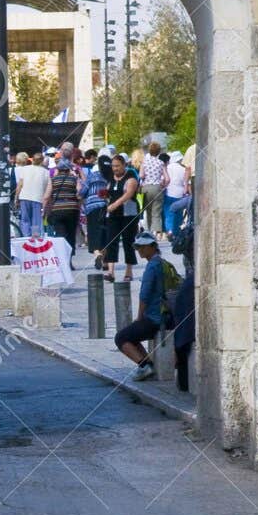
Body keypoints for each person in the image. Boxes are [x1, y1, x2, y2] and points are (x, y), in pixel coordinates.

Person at [114, 229, 165, 380]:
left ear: (153, 246)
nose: (139, 250)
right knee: (132, 335)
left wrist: (139, 317)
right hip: (165, 314)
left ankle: (144, 366)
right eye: (138, 247)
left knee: (121, 338)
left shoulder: (152, 267)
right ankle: (148, 364)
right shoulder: (162, 263)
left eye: (143, 247)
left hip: (155, 317)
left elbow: (145, 296)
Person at [101, 152, 139, 281]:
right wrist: (104, 196)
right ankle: (111, 272)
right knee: (111, 240)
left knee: (129, 241)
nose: (115, 168)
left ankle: (129, 272)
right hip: (114, 214)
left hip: (129, 213)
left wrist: (116, 204)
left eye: (117, 166)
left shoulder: (131, 178)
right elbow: (108, 192)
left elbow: (129, 194)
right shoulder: (111, 179)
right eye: (113, 166)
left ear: (124, 165)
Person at [44, 155, 79, 257]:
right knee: (71, 235)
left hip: (57, 210)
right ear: (69, 169)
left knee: (60, 236)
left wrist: (43, 210)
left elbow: (46, 196)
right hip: (72, 209)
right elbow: (79, 192)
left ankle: (62, 258)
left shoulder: (53, 179)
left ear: (58, 169)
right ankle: (69, 259)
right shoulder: (74, 179)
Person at [15, 149, 49, 236]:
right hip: (37, 198)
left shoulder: (25, 169)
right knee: (36, 221)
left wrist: (16, 198)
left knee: (25, 220)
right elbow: (46, 189)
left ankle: (26, 237)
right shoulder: (46, 172)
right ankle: (35, 239)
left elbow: (20, 185)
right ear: (42, 161)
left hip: (24, 197)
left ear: (32, 160)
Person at [140, 141, 168, 237]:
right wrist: (163, 185)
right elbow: (167, 179)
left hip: (146, 187)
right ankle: (156, 232)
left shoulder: (144, 162)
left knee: (148, 210)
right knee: (157, 212)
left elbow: (141, 175)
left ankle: (150, 232)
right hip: (157, 187)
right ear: (159, 151)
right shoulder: (161, 163)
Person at [165, 149, 188, 235]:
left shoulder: (167, 168)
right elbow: (185, 182)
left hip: (168, 192)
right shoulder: (183, 169)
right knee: (178, 214)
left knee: (168, 213)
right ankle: (176, 232)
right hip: (180, 193)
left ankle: (169, 230)